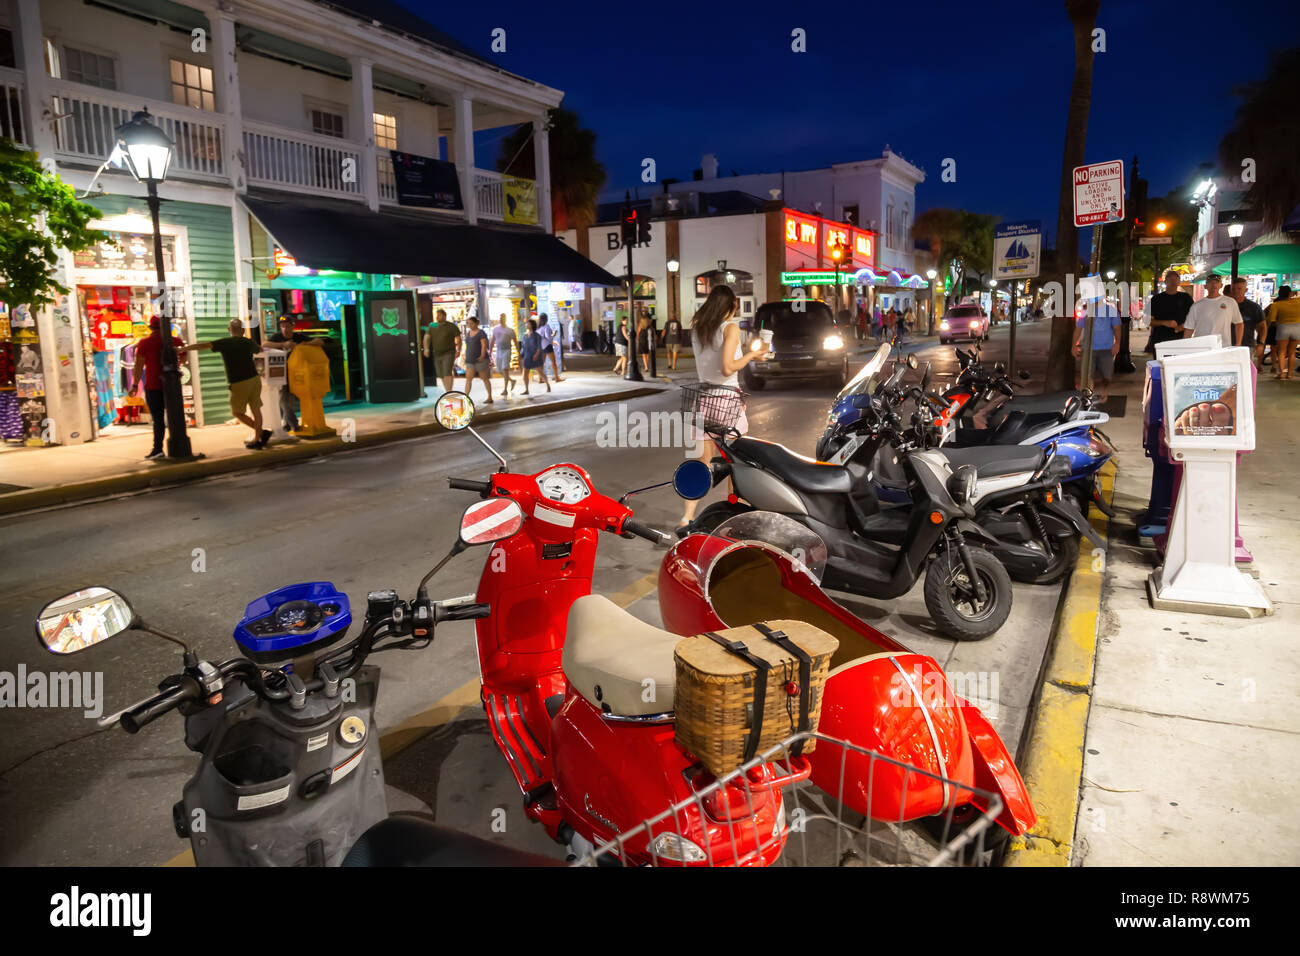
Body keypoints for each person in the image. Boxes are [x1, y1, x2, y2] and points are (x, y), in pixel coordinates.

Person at [679, 286, 771, 528]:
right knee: (735, 460)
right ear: (730, 306)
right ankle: (734, 515)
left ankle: (687, 516)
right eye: (735, 307)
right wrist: (753, 356)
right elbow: (728, 368)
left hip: (704, 398)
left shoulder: (699, 328)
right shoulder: (730, 328)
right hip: (726, 400)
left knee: (702, 461)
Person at [181, 318, 270, 449]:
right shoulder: (248, 342)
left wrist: (183, 348)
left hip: (239, 383)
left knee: (237, 413)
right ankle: (258, 437)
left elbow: (202, 345)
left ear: (229, 330)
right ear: (243, 330)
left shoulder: (225, 343)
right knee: (256, 409)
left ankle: (262, 433)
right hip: (254, 379)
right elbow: (260, 350)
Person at [131, 315, 186, 459]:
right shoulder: (175, 341)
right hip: (172, 386)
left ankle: (158, 449)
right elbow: (184, 355)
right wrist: (177, 366)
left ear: (151, 328)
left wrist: (135, 384)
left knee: (158, 419)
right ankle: (180, 444)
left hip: (153, 385)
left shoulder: (144, 343)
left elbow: (139, 365)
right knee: (176, 416)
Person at [266, 316, 314, 432]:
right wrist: (284, 344)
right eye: (282, 326)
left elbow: (319, 341)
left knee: (288, 400)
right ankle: (294, 424)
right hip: (282, 374)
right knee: (284, 400)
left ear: (293, 326)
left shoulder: (298, 337)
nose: (284, 328)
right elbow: (264, 344)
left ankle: (285, 424)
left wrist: (300, 346)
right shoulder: (277, 337)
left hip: (297, 374)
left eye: (287, 326)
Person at [1072, 292, 1123, 401]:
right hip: (1089, 348)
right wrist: (1073, 345)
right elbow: (1078, 328)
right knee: (1087, 374)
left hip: (1107, 348)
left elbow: (1117, 328)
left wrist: (1117, 343)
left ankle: (1105, 392)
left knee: (1107, 375)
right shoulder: (1086, 311)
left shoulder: (1111, 311)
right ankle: (1088, 397)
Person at [1183, 274, 1242, 348]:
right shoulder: (1196, 306)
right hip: (1201, 347)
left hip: (1223, 347)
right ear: (1205, 286)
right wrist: (1185, 348)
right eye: (1210, 282)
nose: (1213, 285)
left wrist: (1238, 344)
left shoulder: (1230, 302)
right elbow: (1189, 329)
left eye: (1216, 282)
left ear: (1221, 285)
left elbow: (1239, 323)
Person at [1146, 271, 1193, 354]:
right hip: (1160, 341)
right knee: (1160, 366)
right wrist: (1164, 322)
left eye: (1176, 279)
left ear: (1179, 282)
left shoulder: (1186, 298)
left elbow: (1194, 318)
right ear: (1165, 282)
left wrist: (1183, 326)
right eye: (1170, 279)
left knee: (1178, 365)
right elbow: (1148, 320)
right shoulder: (1156, 299)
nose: (1173, 282)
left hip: (1181, 341)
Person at [1228, 277, 1266, 370]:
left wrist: (1261, 344)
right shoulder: (1225, 305)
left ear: (1246, 290)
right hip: (1226, 345)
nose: (1236, 291)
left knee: (1245, 371)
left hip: (1246, 345)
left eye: (1239, 289)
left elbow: (1262, 327)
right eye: (1234, 289)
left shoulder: (1253, 307)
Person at [1264, 285, 1300, 380]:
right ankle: (1289, 374)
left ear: (1279, 294)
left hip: (1283, 327)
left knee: (1281, 352)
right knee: (1292, 352)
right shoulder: (1298, 302)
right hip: (1297, 328)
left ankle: (1281, 373)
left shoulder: (1276, 305)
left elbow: (1271, 319)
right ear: (1289, 293)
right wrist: (1292, 294)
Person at [424, 309, 461, 394]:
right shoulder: (432, 326)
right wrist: (426, 349)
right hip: (437, 353)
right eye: (437, 315)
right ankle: (447, 390)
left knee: (447, 371)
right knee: (440, 374)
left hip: (449, 352)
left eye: (439, 315)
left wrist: (458, 350)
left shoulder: (451, 326)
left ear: (444, 316)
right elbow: (427, 337)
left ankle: (448, 391)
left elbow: (458, 339)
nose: (437, 317)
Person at [461, 316, 494, 404]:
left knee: (485, 378)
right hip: (470, 359)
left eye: (471, 323)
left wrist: (482, 355)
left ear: (476, 323)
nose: (470, 325)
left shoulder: (481, 333)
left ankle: (490, 397)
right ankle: (466, 397)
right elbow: (468, 345)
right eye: (468, 323)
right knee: (468, 379)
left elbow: (484, 345)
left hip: (481, 359)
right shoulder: (468, 333)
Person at [519, 318, 550, 394]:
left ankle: (548, 385)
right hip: (527, 356)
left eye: (528, 323)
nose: (526, 325)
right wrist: (521, 355)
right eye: (526, 323)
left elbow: (539, 347)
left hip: (535, 357)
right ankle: (527, 389)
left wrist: (536, 354)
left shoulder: (537, 336)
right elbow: (523, 347)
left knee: (540, 373)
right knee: (525, 374)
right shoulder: (525, 336)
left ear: (532, 325)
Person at [491, 313, 517, 396]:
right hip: (499, 351)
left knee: (505, 369)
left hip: (507, 350)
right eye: (500, 317)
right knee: (499, 369)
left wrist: (518, 352)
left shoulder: (510, 330)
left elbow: (515, 342)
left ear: (506, 319)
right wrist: (489, 350)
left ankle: (505, 389)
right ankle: (512, 381)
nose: (501, 319)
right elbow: (492, 340)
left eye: (503, 318)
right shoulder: (495, 329)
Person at [537, 314, 564, 382]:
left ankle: (540, 378)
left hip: (541, 346)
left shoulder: (538, 327)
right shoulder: (547, 326)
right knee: (553, 362)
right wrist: (554, 334)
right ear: (546, 319)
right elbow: (548, 337)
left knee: (541, 363)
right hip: (547, 346)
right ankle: (556, 377)